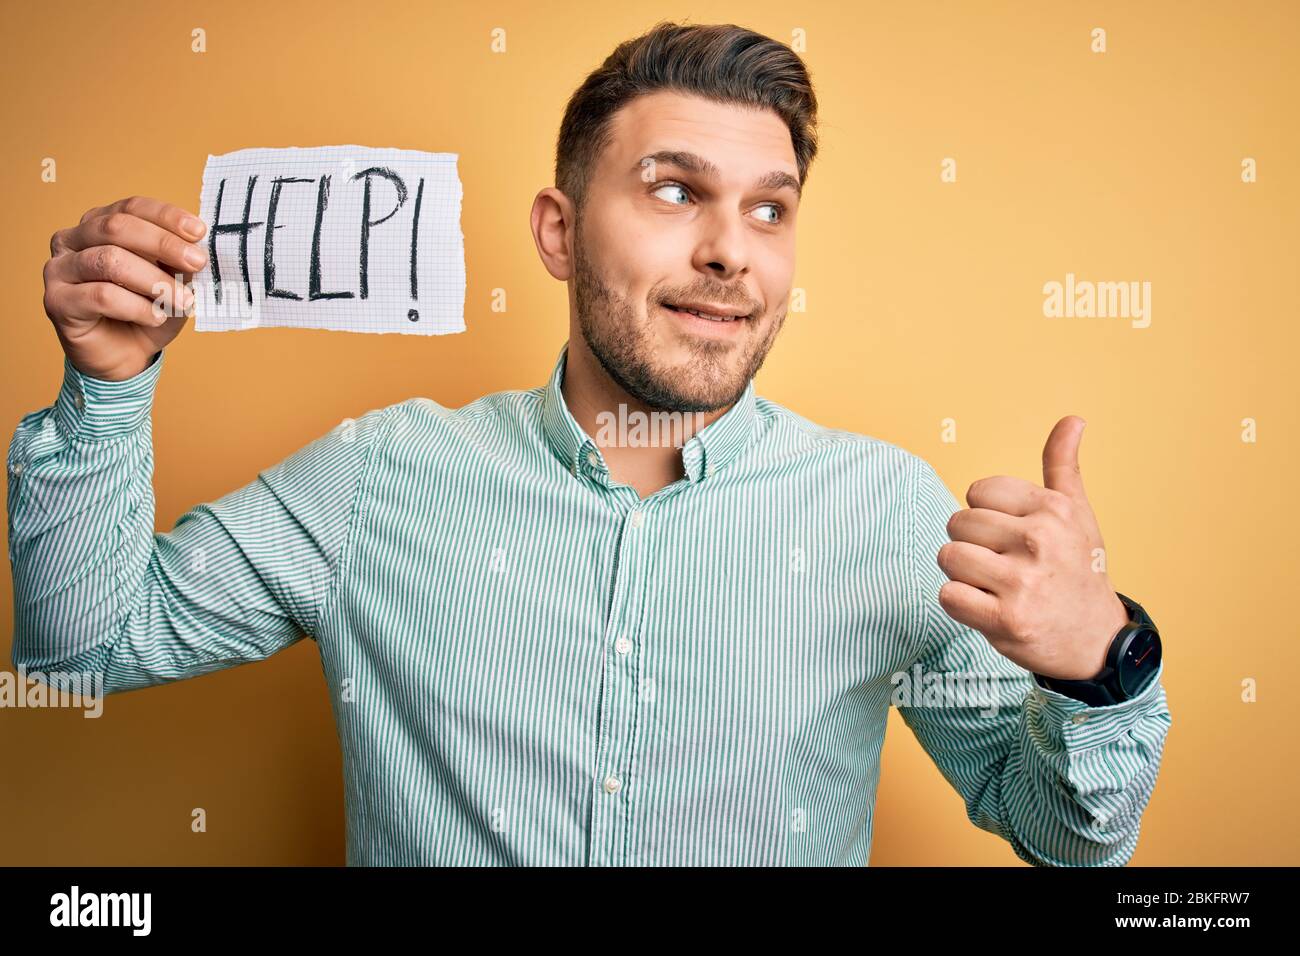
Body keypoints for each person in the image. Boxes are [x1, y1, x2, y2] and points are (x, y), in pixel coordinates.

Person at [9, 21, 1170, 866]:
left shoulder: (883, 509)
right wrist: (107, 390)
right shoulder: (375, 476)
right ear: (558, 233)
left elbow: (1066, 836)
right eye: (674, 191)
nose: (731, 250)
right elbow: (81, 651)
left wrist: (1098, 666)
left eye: (768, 208)